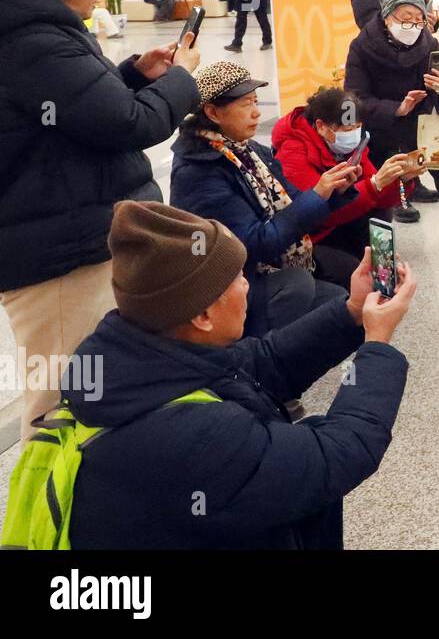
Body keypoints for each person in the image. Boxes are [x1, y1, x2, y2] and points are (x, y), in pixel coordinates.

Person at [50, 200, 413, 549]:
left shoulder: (142, 356)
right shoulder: (193, 435)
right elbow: (335, 455)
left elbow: (264, 361)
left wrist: (352, 310)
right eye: (238, 278)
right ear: (203, 316)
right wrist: (377, 343)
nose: (247, 286)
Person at [0, 0, 201, 439]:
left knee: (90, 386)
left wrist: (133, 73)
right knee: (62, 397)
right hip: (57, 259)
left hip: (67, 237)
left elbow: (76, 109)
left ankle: (93, 502)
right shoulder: (34, 41)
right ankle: (46, 513)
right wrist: (182, 81)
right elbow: (129, 123)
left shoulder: (36, 32)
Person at [170, 62, 360, 338]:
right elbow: (254, 243)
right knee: (299, 285)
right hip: (233, 279)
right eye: (246, 104)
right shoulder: (200, 171)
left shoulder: (249, 151)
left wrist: (334, 191)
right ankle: (255, 352)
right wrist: (318, 195)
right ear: (212, 112)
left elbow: (295, 202)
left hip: (274, 260)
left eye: (256, 101)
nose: (257, 112)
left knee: (343, 290)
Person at [346, 0, 439, 265]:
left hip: (423, 127)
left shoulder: (430, 46)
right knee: (374, 183)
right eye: (405, 18)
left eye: (419, 19)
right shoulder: (362, 47)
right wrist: (396, 108)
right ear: (387, 18)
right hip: (380, 130)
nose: (412, 26)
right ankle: (372, 252)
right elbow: (354, 99)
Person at [348, 0, 439, 206]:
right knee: (387, 133)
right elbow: (370, 22)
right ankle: (396, 195)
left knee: (411, 128)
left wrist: (424, 23)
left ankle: (413, 182)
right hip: (384, 64)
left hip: (412, 59)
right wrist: (402, 32)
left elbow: (412, 14)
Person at [272, 86, 412, 261]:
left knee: (381, 212)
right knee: (351, 272)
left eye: (358, 127)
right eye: (347, 130)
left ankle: (370, 259)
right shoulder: (293, 153)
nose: (353, 134)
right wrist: (374, 184)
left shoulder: (352, 148)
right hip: (311, 239)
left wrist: (402, 179)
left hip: (341, 226)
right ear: (321, 126)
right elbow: (318, 216)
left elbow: (381, 197)